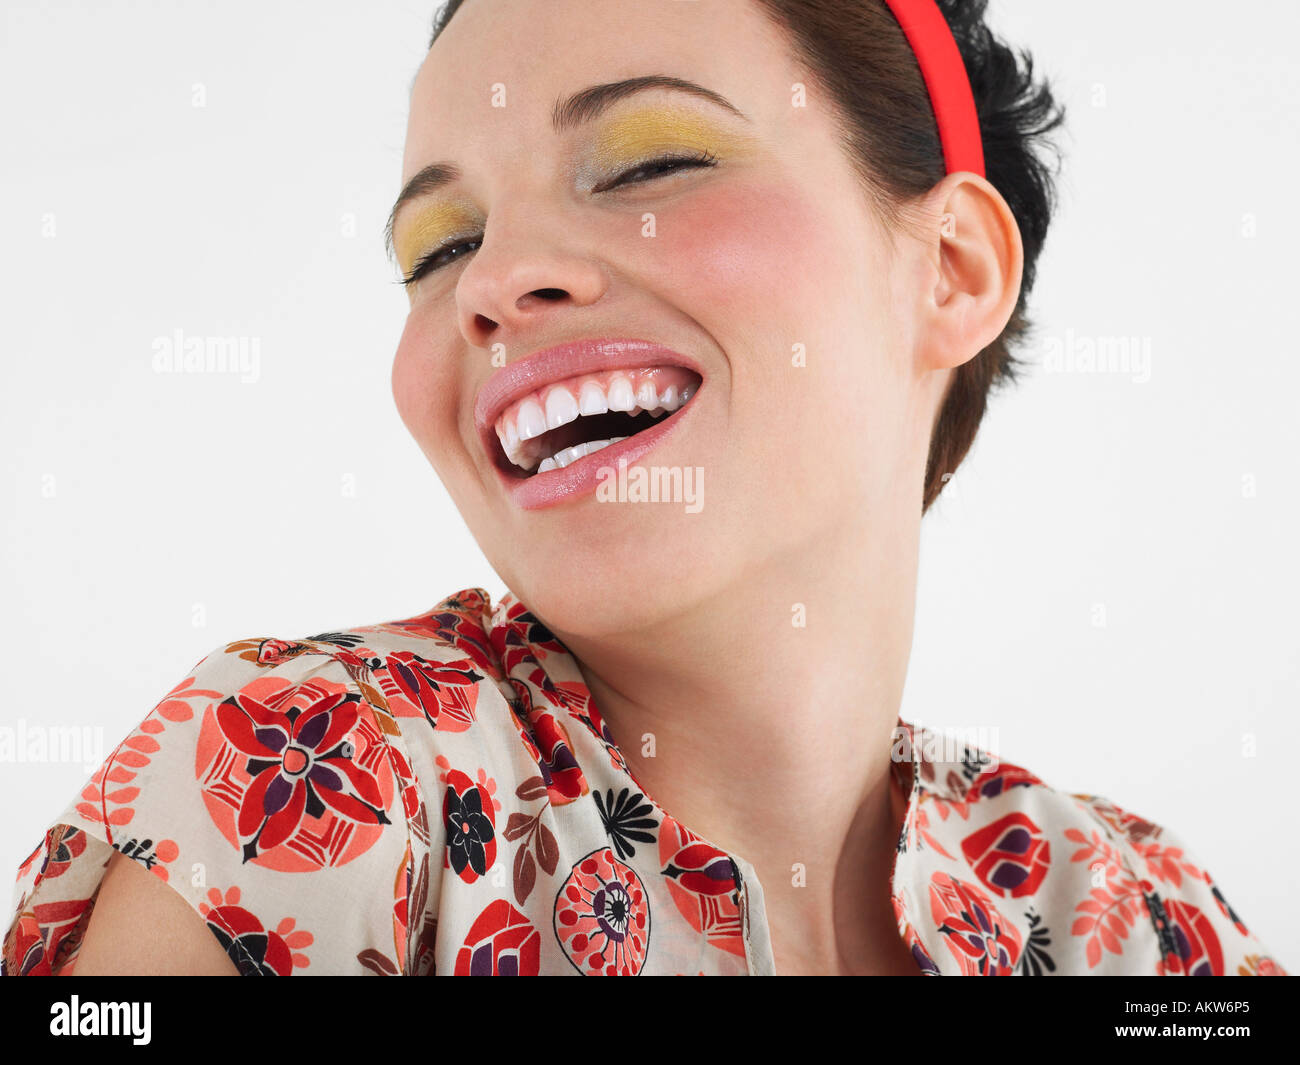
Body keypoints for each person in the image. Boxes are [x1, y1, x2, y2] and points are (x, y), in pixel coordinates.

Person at [3, 0, 1287, 976]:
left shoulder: (1143, 921)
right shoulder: (312, 772)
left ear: (949, 269)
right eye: (442, 246)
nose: (493, 280)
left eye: (647, 164)